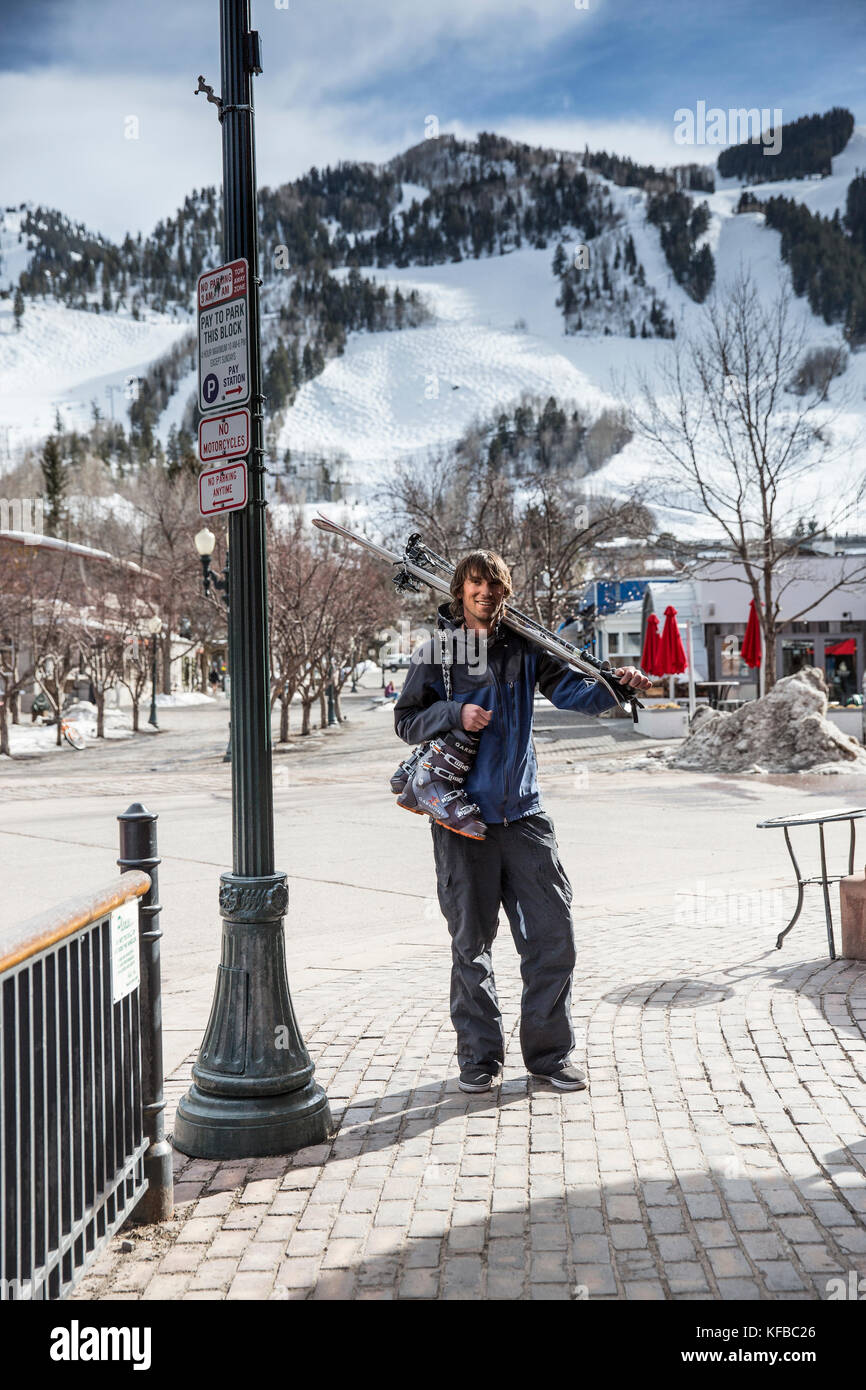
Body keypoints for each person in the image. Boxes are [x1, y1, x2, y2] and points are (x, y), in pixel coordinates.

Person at [394, 550, 651, 1094]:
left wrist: (615, 687)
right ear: (459, 591)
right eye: (475, 584)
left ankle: (549, 1057)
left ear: (505, 592)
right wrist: (453, 713)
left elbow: (572, 692)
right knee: (472, 944)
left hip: (525, 816)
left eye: (494, 585)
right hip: (462, 822)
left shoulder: (524, 645)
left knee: (553, 938)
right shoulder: (440, 651)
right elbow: (406, 721)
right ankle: (479, 1060)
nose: (485, 593)